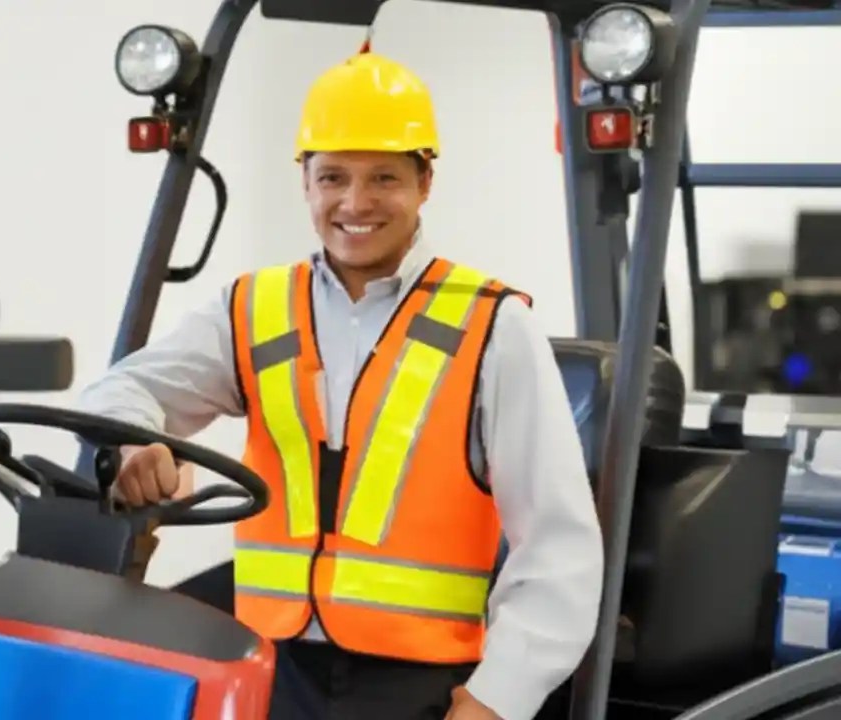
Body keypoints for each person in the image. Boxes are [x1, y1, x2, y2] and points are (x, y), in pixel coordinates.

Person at [77, 47, 604, 720]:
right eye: (333, 178)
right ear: (305, 183)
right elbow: (117, 394)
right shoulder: (254, 309)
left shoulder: (494, 326)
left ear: (424, 183)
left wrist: (496, 699)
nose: (355, 203)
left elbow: (559, 545)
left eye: (383, 177)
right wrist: (136, 444)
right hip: (274, 671)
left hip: (421, 687)